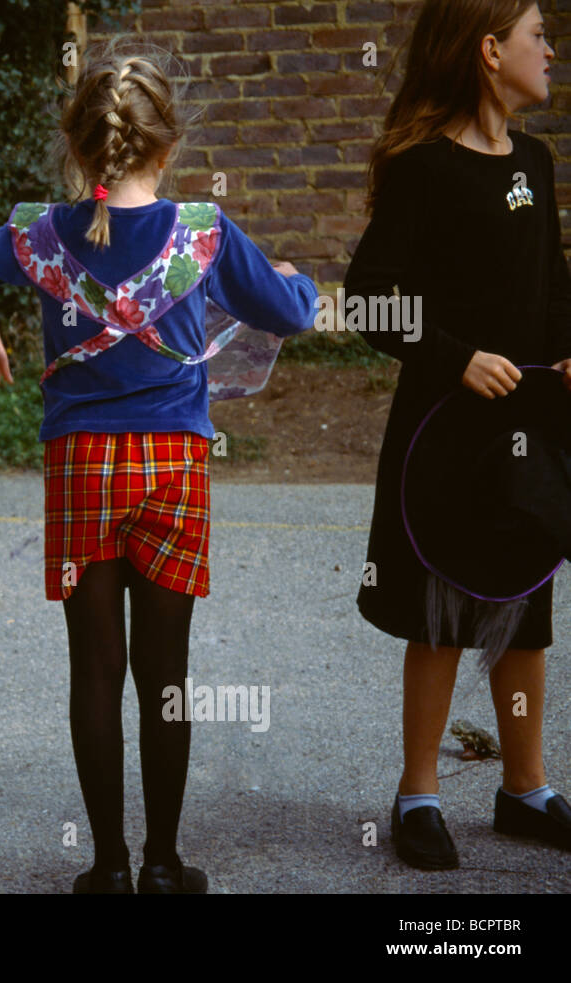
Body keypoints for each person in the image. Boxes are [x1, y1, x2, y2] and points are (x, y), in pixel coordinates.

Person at [0, 38, 317, 893]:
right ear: (170, 146)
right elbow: (289, 311)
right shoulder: (205, 236)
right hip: (174, 465)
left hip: (81, 468)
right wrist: (297, 281)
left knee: (94, 669)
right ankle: (163, 861)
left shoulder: (34, 235)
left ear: (75, 149)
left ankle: (105, 864)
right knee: (166, 673)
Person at [344, 0, 571, 870]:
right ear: (489, 51)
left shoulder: (538, 165)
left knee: (525, 605)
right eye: (536, 35)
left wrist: (567, 350)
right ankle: (420, 790)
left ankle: (525, 786)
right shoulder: (424, 169)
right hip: (444, 431)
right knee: (440, 608)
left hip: (528, 429)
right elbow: (367, 298)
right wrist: (455, 357)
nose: (550, 49)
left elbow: (553, 286)